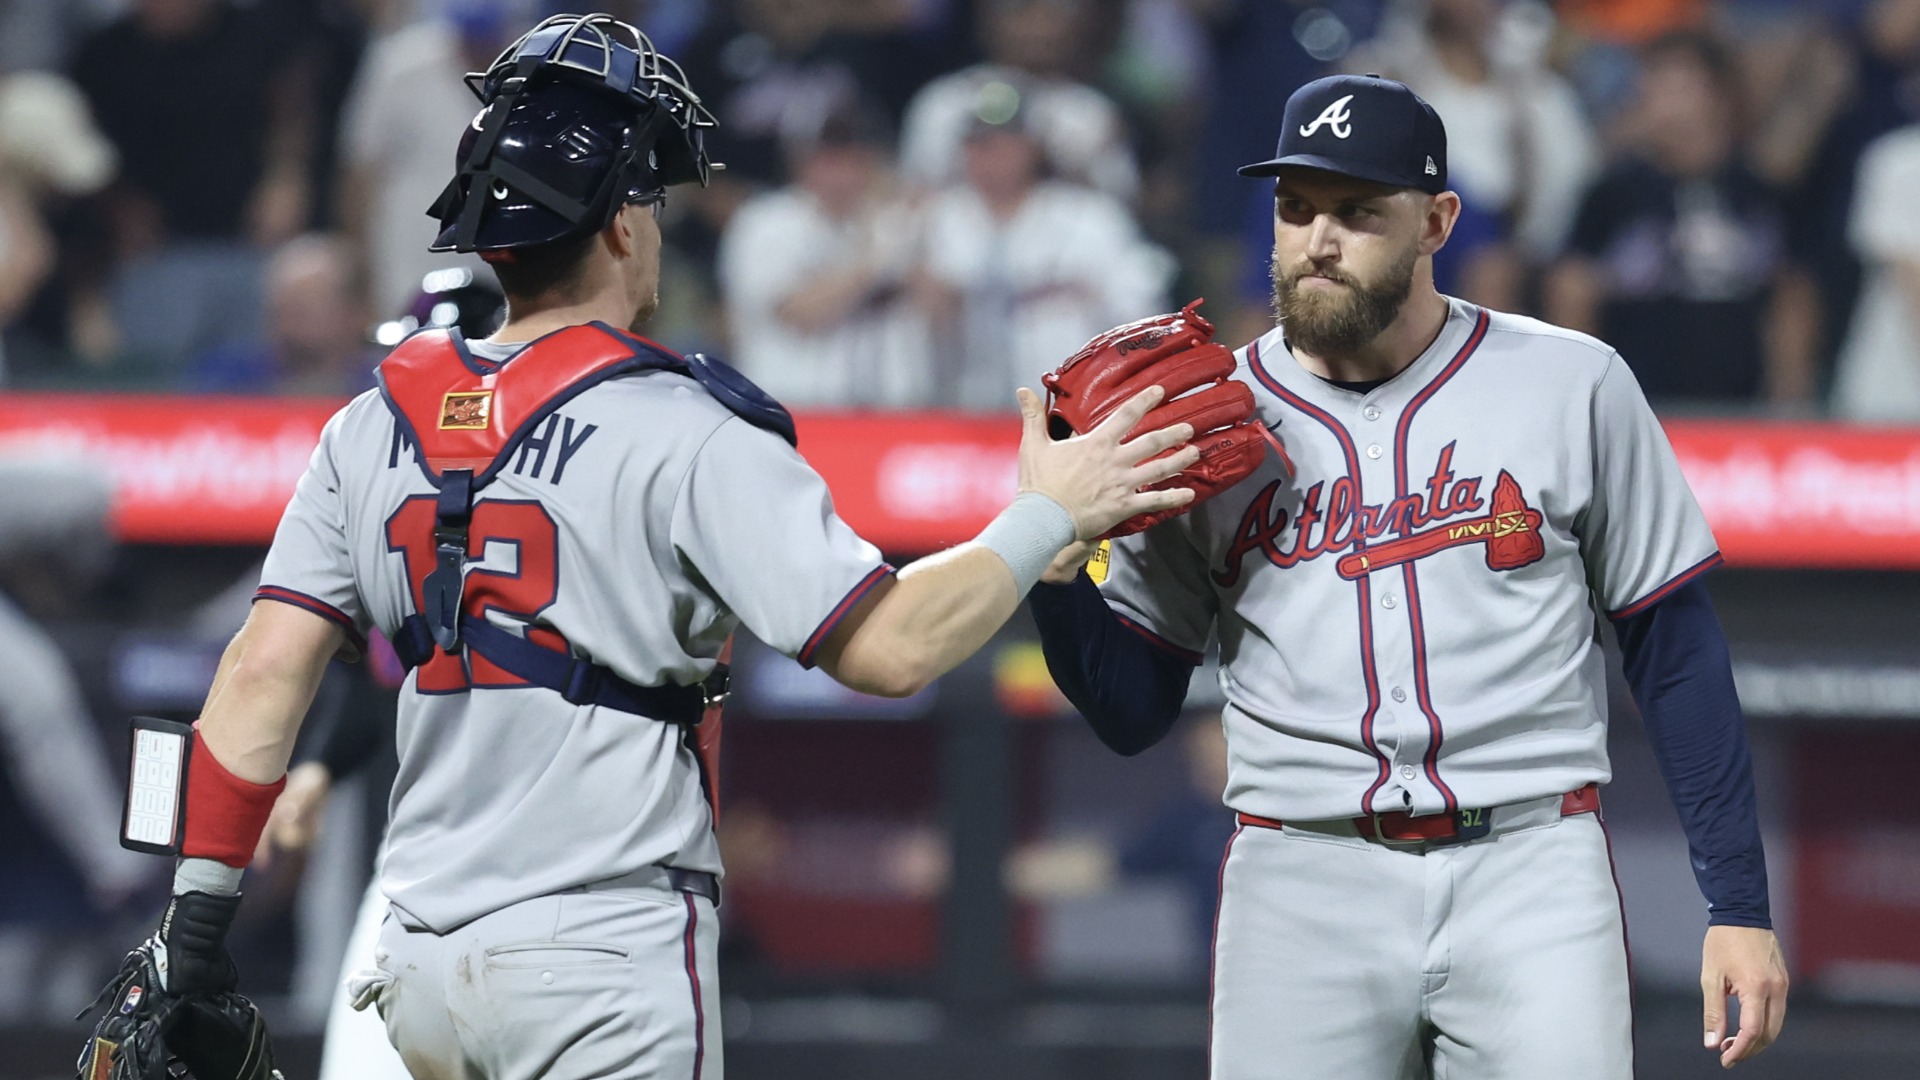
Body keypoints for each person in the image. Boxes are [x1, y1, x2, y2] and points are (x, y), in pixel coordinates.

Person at [113, 13, 1196, 1079]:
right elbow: (893, 649)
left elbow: (258, 677)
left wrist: (194, 935)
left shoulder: (367, 425)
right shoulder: (685, 426)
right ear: (623, 226)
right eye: (654, 204)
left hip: (419, 956)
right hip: (597, 952)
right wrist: (1051, 510)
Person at [1030, 73, 1789, 1078]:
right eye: (1296, 210)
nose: (1319, 241)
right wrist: (1051, 561)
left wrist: (1737, 904)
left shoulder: (1572, 382)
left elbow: (1674, 647)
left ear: (1437, 222)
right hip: (1299, 873)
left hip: (1528, 863)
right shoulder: (1204, 427)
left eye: (1357, 213)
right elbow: (1131, 711)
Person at [1545, 32, 1818, 410]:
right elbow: (1572, 288)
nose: (1656, 100)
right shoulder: (1614, 192)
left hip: (1741, 409)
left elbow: (1791, 298)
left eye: (1675, 86)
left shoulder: (1759, 194)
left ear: (1719, 97)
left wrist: (1790, 401)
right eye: (1651, 85)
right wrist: (1581, 400)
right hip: (1637, 405)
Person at [917, 80, 1172, 410]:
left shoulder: (1089, 217)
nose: (991, 155)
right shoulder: (941, 218)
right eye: (979, 143)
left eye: (1005, 142)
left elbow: (1145, 316)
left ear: (1032, 147)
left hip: (1073, 410)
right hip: (968, 409)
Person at [716, 93, 934, 408]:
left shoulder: (891, 219)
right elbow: (799, 314)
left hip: (886, 416)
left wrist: (910, 237)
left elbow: (941, 313)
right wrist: (873, 261)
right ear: (799, 161)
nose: (842, 173)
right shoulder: (767, 222)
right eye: (827, 159)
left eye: (854, 158)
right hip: (789, 415)